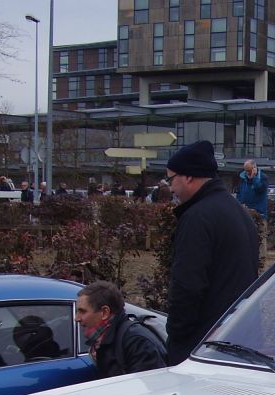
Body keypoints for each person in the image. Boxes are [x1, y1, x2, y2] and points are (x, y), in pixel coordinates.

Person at [166, 140, 259, 365]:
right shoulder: (238, 211)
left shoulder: (197, 217)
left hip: (204, 344)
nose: (170, 188)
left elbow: (187, 285)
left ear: (188, 176)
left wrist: (176, 337)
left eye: (171, 179)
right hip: (240, 335)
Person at [76, 281, 166, 377]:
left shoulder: (137, 342)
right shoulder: (103, 341)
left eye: (82, 311)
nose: (76, 318)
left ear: (105, 312)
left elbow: (144, 388)